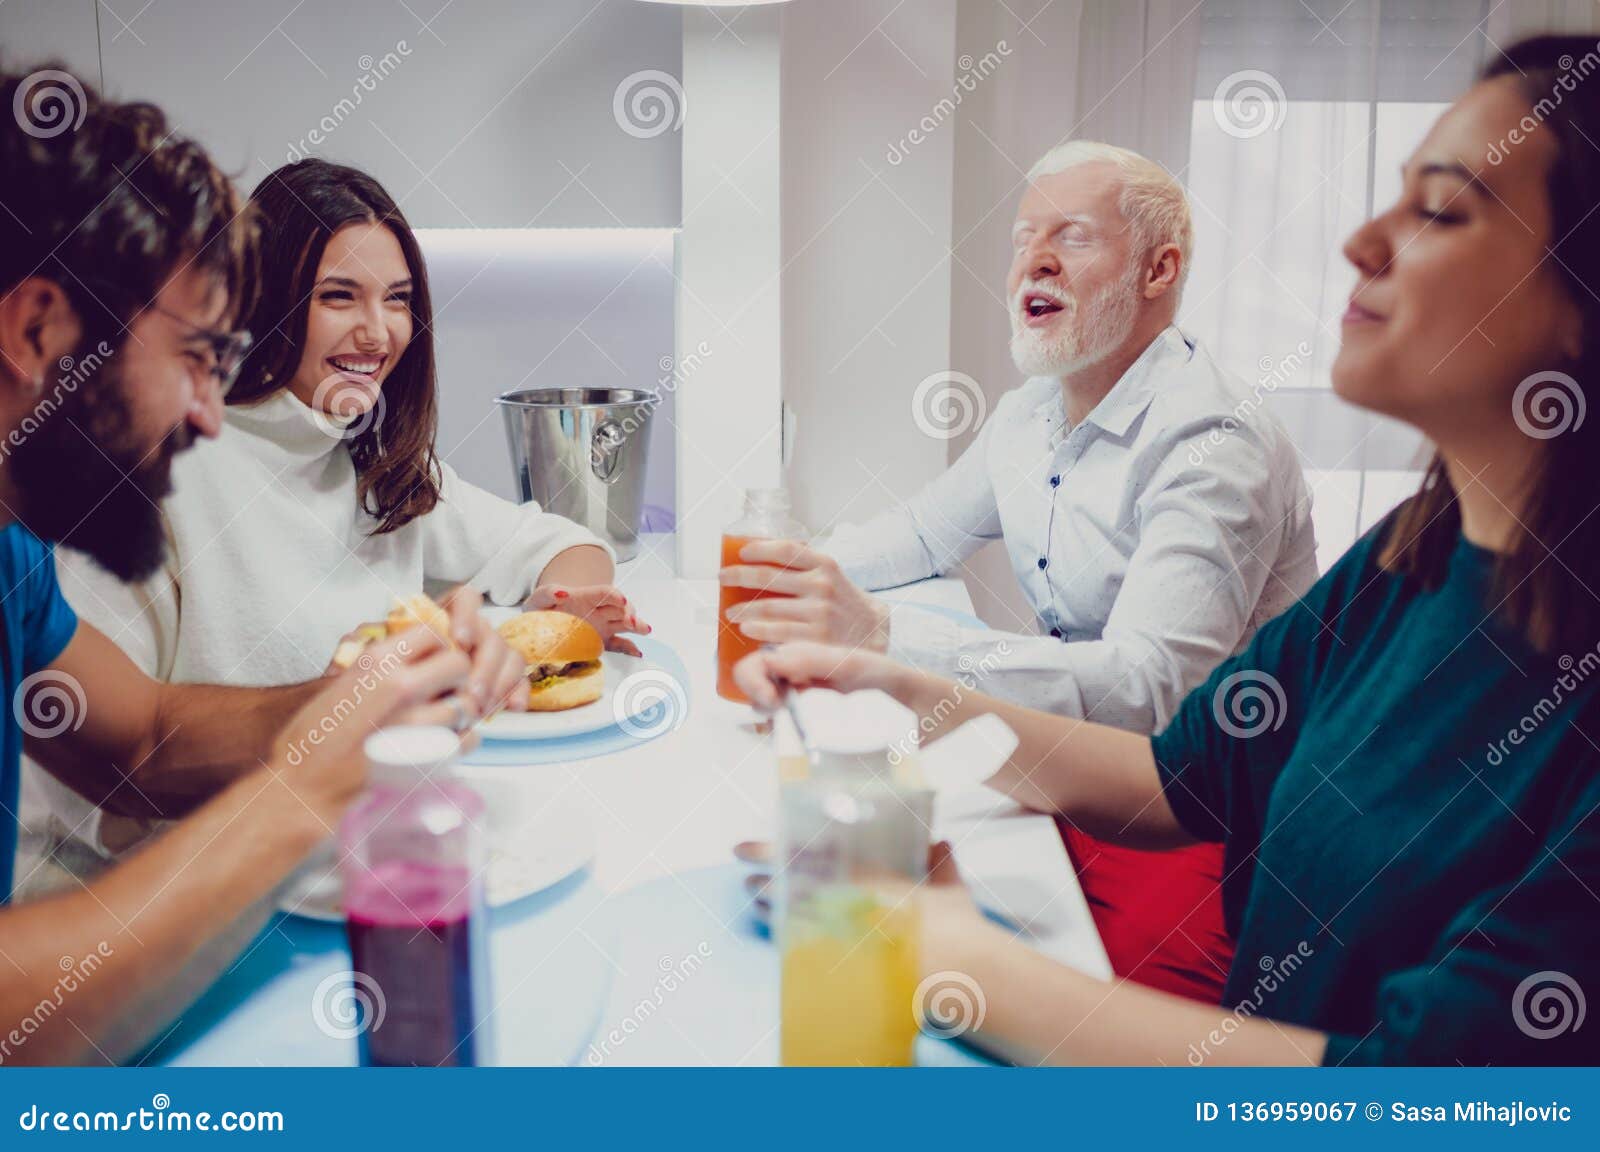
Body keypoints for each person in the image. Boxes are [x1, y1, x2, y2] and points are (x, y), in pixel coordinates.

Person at [735, 35, 1600, 1065]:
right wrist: (896, 685)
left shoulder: (1213, 439)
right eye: (1023, 237)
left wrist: (959, 956)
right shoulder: (1408, 559)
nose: (1363, 241)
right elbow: (1171, 773)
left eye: (1443, 209)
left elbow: (1414, 1098)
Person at [720, 141, 1318, 1001]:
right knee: (866, 913)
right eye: (1023, 236)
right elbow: (921, 535)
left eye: (1071, 236)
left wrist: (884, 636)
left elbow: (1157, 691)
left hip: (1206, 811)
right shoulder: (1030, 411)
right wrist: (779, 568)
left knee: (1082, 1018)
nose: (1032, 259)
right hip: (1075, 766)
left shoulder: (1213, 441)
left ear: (1159, 269)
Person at [0, 65, 504, 1064]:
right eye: (192, 357)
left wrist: (360, 698)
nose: (208, 411)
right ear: (36, 330)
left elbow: (135, 734)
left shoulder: (12, 551)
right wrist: (303, 794)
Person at [18, 158, 651, 887]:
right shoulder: (165, 474)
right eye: (339, 296)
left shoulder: (381, 463)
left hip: (352, 863)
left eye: (399, 300)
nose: (377, 332)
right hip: (166, 900)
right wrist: (350, 712)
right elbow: (106, 781)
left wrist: (530, 628)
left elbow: (569, 544)